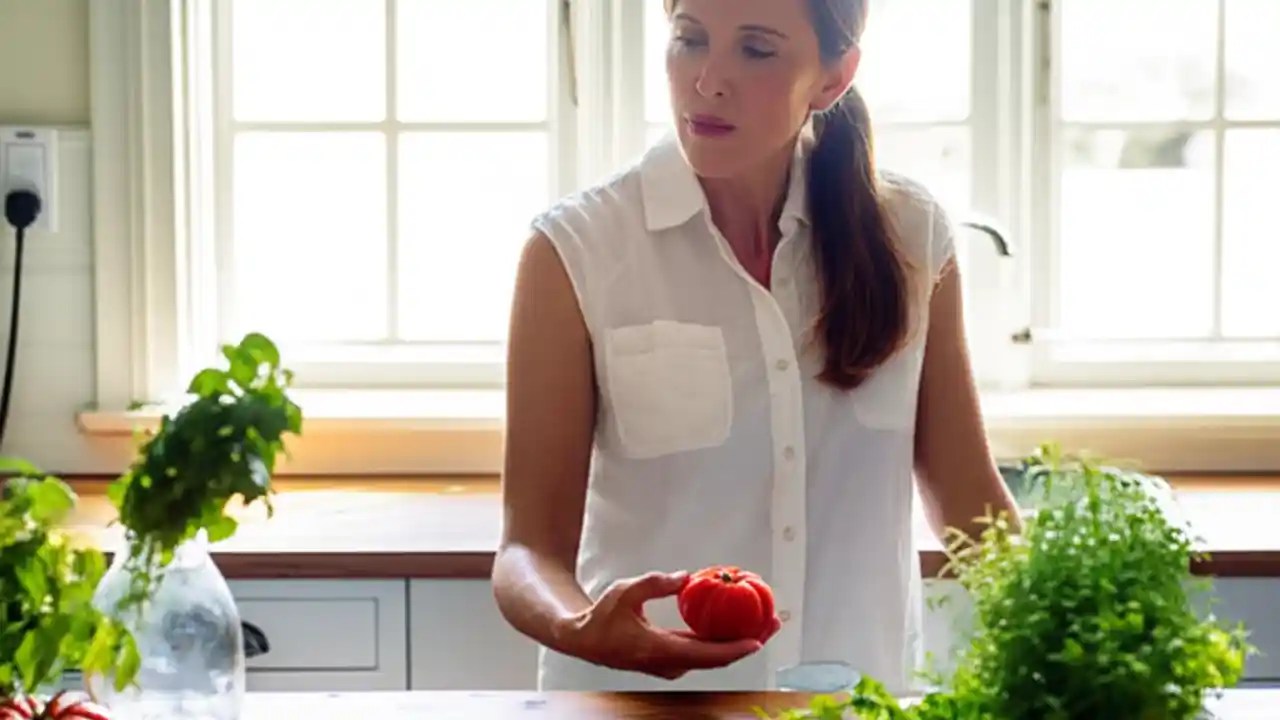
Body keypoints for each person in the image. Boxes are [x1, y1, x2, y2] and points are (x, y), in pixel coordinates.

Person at [491, 0, 1020, 694]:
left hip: (856, 701)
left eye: (757, 50)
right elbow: (527, 551)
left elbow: (970, 506)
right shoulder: (577, 251)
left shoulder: (911, 239)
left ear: (834, 78)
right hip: (644, 706)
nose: (708, 80)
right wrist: (578, 624)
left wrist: (1084, 634)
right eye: (690, 40)